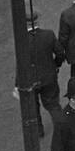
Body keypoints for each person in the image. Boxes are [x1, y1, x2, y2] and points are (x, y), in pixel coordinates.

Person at [27, 9, 65, 137]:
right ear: (37, 20)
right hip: (49, 76)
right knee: (54, 105)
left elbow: (20, 63)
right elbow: (60, 53)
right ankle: (61, 129)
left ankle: (39, 131)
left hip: (30, 79)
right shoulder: (48, 34)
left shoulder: (22, 40)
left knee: (33, 106)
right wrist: (56, 65)